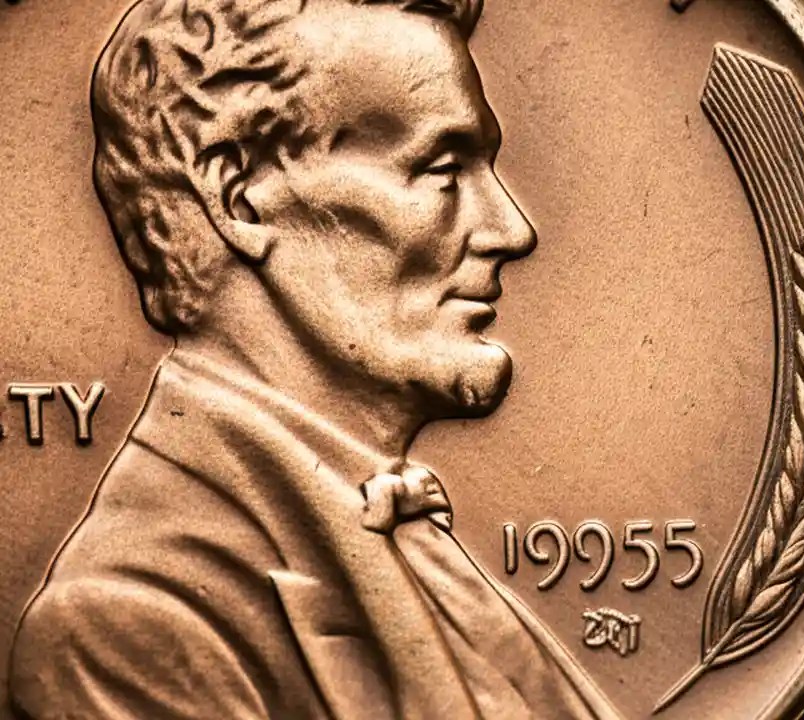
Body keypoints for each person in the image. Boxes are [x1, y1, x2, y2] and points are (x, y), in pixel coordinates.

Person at [8, 0, 618, 717]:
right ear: (239, 198)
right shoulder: (127, 629)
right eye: (442, 169)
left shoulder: (397, 529)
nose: (510, 229)